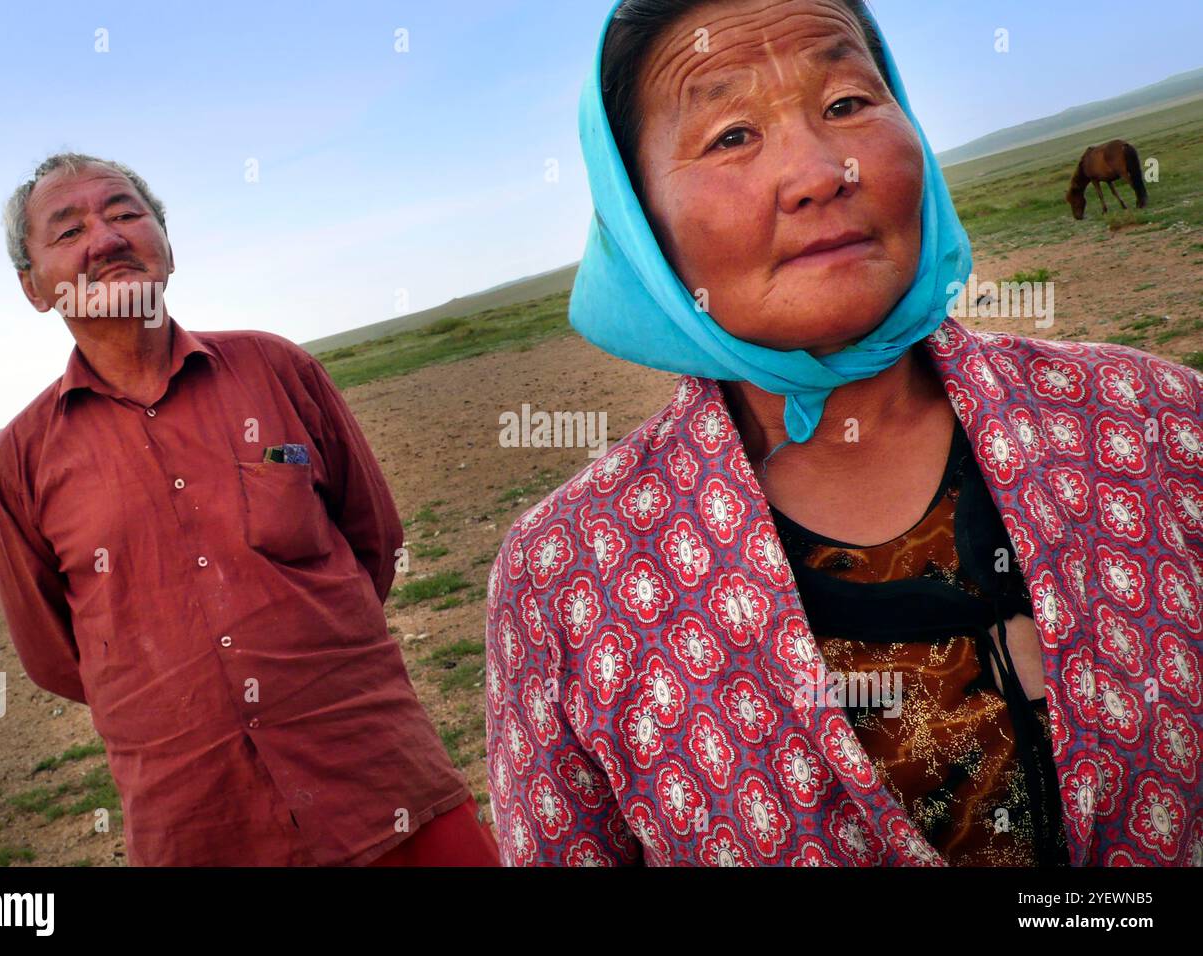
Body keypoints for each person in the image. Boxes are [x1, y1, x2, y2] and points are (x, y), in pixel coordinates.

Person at [485, 0, 1203, 866]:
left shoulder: (1154, 418)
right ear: (639, 223)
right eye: (732, 135)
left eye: (847, 104)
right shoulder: (563, 580)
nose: (821, 171)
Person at [0, 152, 498, 866]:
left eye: (126, 212)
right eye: (68, 230)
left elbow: (372, 541)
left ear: (165, 244)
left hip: (384, 786)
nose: (106, 238)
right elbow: (56, 656)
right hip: (199, 826)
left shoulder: (277, 369)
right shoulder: (22, 460)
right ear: (34, 288)